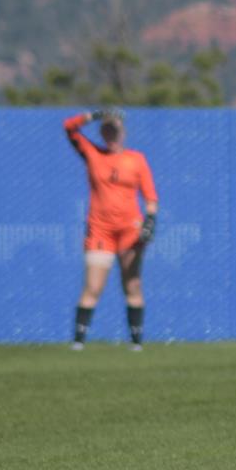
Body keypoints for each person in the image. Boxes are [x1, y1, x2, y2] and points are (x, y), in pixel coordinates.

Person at [63, 108, 158, 350]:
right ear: (102, 133)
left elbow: (150, 196)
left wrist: (150, 221)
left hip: (129, 231)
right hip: (100, 230)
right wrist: (95, 115)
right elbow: (69, 127)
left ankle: (136, 343)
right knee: (93, 286)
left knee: (132, 284)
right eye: (107, 130)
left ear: (123, 133)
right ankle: (78, 342)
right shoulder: (93, 153)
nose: (111, 135)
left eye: (115, 130)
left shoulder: (136, 159)